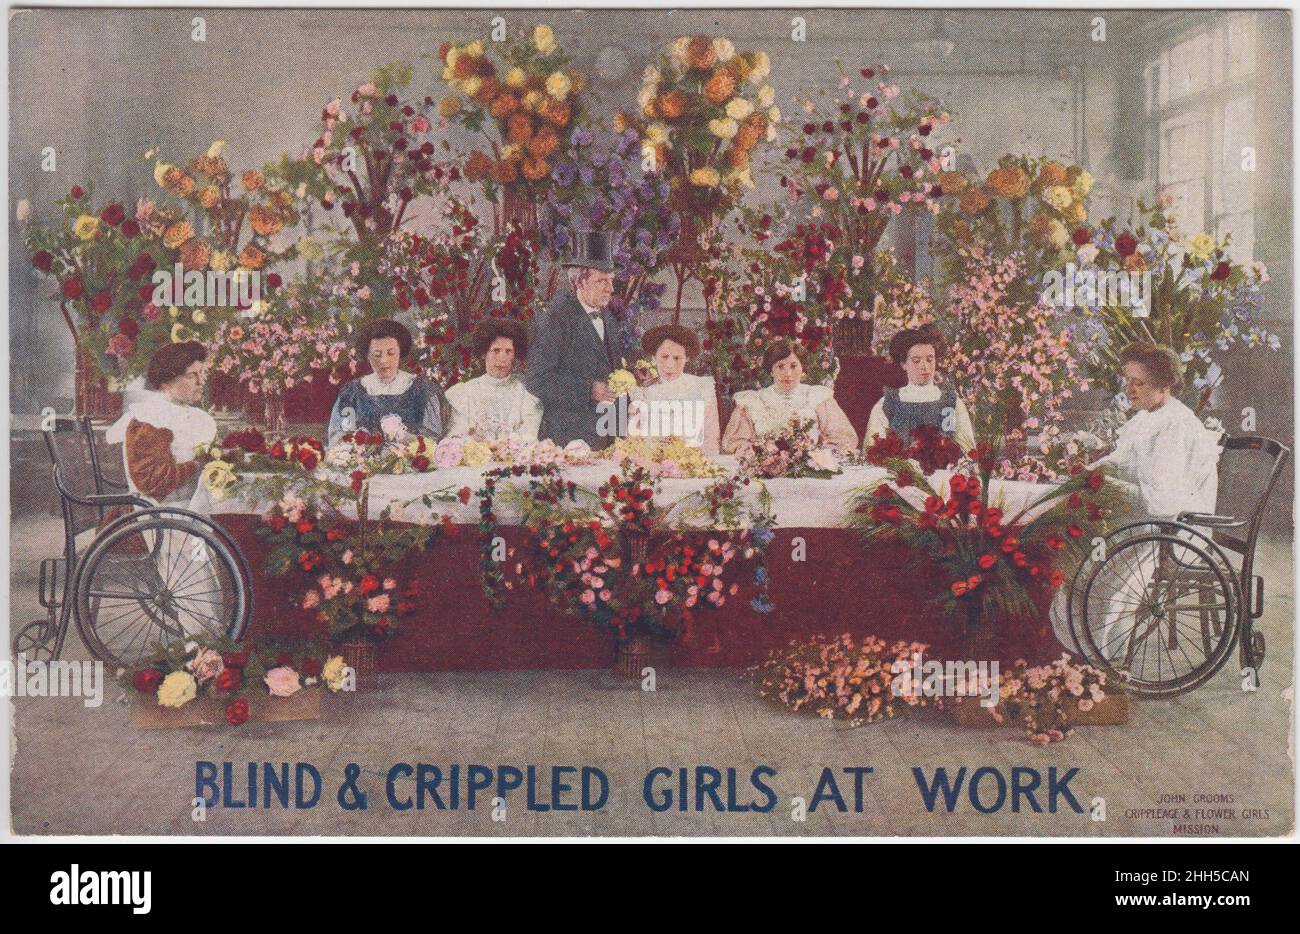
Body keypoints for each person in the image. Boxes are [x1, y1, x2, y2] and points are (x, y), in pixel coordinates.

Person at [1051, 343, 1224, 659]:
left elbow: (1162, 498)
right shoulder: (1147, 417)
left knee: (1097, 573)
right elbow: (1121, 461)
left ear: (1164, 385)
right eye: (1127, 380)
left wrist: (1103, 486)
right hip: (1144, 517)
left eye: (1138, 382)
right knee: (1077, 559)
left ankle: (1097, 652)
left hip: (1172, 528)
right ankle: (1075, 646)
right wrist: (1088, 473)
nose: (1128, 388)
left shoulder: (1177, 426)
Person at [525, 230, 626, 449]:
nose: (610, 289)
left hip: (609, 436)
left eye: (611, 281)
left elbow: (608, 368)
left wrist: (633, 378)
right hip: (570, 440)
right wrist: (588, 390)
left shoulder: (606, 316)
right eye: (602, 281)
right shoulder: (556, 318)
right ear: (580, 282)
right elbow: (536, 379)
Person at [106, 341, 217, 504]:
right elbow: (151, 481)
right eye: (191, 376)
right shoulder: (150, 418)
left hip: (193, 506)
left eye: (202, 373)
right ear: (166, 380)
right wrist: (198, 465)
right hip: (164, 514)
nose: (201, 382)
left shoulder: (194, 416)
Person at [721, 340, 858, 454]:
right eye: (780, 367)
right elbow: (736, 442)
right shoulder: (752, 401)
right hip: (766, 471)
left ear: (802, 368)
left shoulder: (817, 397)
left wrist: (813, 455)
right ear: (771, 371)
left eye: (793, 366)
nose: (787, 373)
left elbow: (842, 438)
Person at [328, 319, 447, 445]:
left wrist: (408, 439)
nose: (384, 360)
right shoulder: (352, 394)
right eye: (377, 354)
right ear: (367, 356)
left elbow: (432, 440)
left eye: (391, 353)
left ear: (400, 352)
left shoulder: (422, 389)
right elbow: (340, 437)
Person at [866, 325, 975, 452]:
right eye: (916, 361)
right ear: (904, 364)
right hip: (899, 470)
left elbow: (969, 451)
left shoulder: (951, 402)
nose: (925, 367)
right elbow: (873, 452)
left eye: (930, 359)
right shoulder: (887, 403)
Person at [627, 324, 720, 454]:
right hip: (650, 461)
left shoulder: (702, 387)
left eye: (677, 358)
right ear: (654, 356)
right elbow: (633, 437)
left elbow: (711, 437)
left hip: (693, 463)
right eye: (664, 357)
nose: (670, 364)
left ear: (687, 358)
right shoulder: (641, 390)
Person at [445, 319, 543, 440]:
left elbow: (529, 439)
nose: (502, 358)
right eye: (496, 351)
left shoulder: (526, 396)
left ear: (515, 355)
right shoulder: (466, 392)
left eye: (508, 351)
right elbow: (456, 438)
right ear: (483, 353)